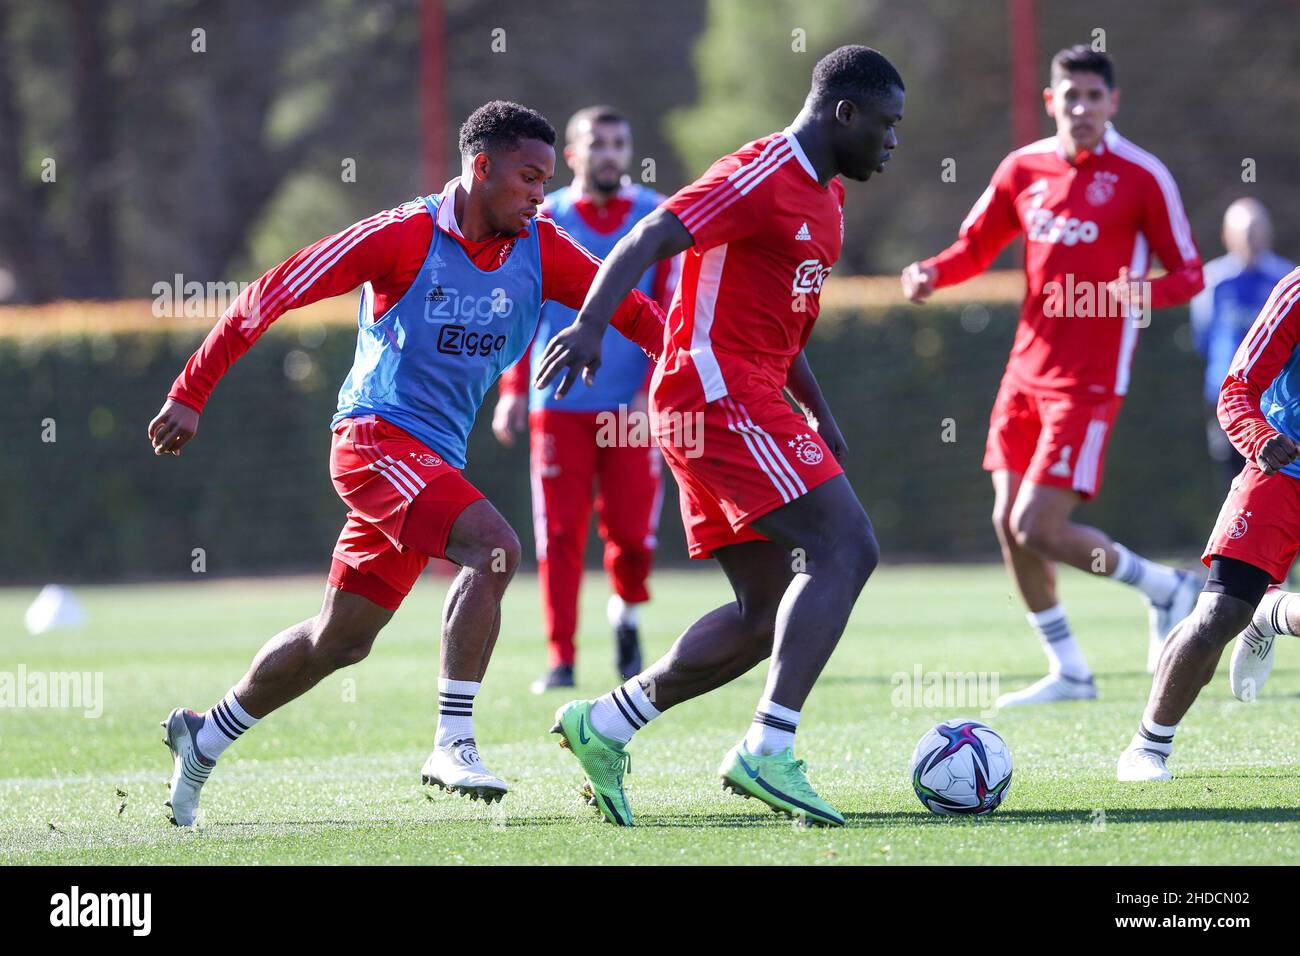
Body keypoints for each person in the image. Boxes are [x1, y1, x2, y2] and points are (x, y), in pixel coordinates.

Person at [146, 101, 663, 825]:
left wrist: (720, 382)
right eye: (527, 178)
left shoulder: (542, 247)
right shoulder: (403, 236)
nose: (541, 195)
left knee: (340, 640)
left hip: (431, 459)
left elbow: (638, 314)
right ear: (480, 168)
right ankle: (453, 741)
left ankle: (202, 738)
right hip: (373, 443)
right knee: (495, 549)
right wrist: (190, 392)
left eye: (547, 180)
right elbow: (273, 291)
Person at [534, 45, 903, 827]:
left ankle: (604, 725)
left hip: (743, 392)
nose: (893, 142)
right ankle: (769, 748)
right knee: (848, 547)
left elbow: (781, 324)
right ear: (845, 113)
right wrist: (593, 324)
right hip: (716, 393)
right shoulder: (762, 171)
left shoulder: (828, 198)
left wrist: (821, 413)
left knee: (764, 611)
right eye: (887, 124)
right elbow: (649, 236)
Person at [900, 45, 1204, 705]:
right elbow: (975, 248)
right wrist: (931, 272)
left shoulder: (1141, 175)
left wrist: (1141, 293)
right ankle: (1070, 669)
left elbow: (1189, 272)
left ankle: (1166, 587)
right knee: (1008, 524)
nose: (1083, 108)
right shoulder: (1023, 169)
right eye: (1071, 96)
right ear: (1051, 101)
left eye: (1095, 97)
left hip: (1089, 381)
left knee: (1038, 524)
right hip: (1024, 373)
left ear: (1113, 103)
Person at [492, 106, 679, 694]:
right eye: (596, 143)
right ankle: (561, 658)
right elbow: (526, 312)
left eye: (619, 143)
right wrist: (514, 391)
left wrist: (655, 392)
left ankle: (626, 617)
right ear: (571, 155)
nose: (609, 153)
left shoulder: (656, 216)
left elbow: (670, 312)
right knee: (558, 535)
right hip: (559, 404)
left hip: (630, 408)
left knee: (631, 533)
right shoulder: (544, 217)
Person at [1117, 267, 1300, 780]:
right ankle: (1147, 746)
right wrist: (1259, 437)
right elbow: (1237, 387)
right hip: (1283, 469)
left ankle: (1273, 613)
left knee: (1245, 611)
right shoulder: (1297, 292)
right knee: (1219, 612)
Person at [1190, 199, 1294, 492]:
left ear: (1268, 234)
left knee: (1280, 479)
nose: (1250, 239)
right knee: (1233, 478)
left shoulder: (1285, 280)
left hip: (1278, 399)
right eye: (1244, 232)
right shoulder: (1214, 281)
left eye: (1256, 230)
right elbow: (1203, 337)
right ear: (1227, 235)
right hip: (1228, 394)